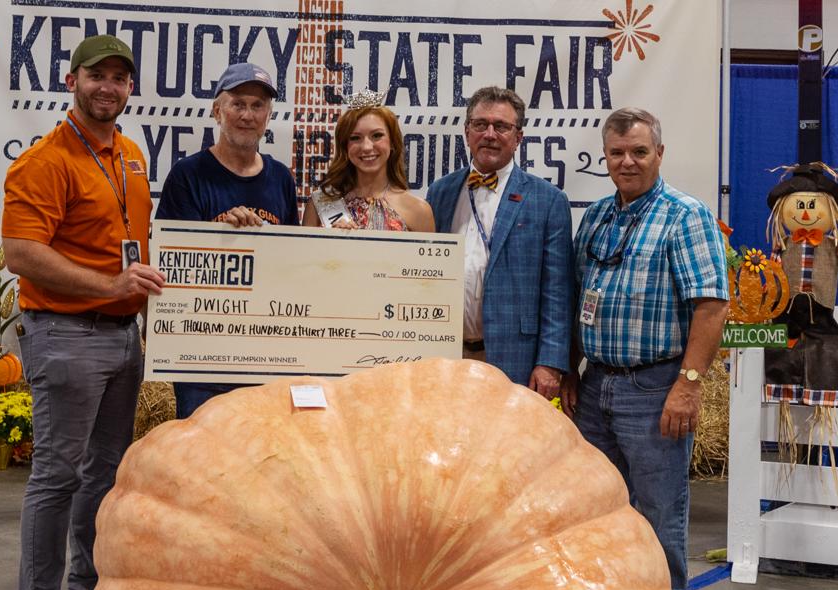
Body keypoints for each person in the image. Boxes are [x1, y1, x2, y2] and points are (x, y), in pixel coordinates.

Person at [0, 34, 166, 590]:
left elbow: (135, 243)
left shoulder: (130, 155)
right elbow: (21, 253)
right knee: (58, 476)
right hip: (66, 332)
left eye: (119, 78)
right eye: (97, 76)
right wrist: (109, 285)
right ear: (72, 81)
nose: (108, 87)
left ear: (129, 88)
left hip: (123, 336)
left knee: (103, 474)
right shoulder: (44, 161)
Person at [559, 107, 728, 590]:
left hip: (654, 388)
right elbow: (577, 298)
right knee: (592, 508)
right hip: (596, 386)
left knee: (658, 513)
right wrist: (570, 370)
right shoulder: (596, 216)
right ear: (605, 157)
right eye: (617, 153)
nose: (627, 162)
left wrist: (688, 386)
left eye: (638, 151)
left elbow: (712, 306)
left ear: (659, 153)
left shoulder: (685, 215)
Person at [155, 62, 298, 418]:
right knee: (202, 449)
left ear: (268, 116)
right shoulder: (188, 175)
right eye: (238, 104)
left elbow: (292, 265)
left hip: (266, 356)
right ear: (217, 111)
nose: (247, 115)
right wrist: (221, 237)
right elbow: (175, 266)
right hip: (203, 360)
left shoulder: (281, 177)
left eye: (257, 105)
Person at [425, 86, 570, 395]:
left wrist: (550, 363)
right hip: (445, 356)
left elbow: (558, 292)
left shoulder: (548, 200)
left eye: (501, 126)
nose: (489, 134)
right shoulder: (439, 193)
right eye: (480, 124)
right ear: (467, 132)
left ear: (518, 137)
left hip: (515, 358)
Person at [303, 89, 433, 232]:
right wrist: (333, 240)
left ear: (392, 142)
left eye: (377, 135)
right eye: (355, 138)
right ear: (345, 146)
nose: (366, 147)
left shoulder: (419, 211)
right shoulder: (320, 203)